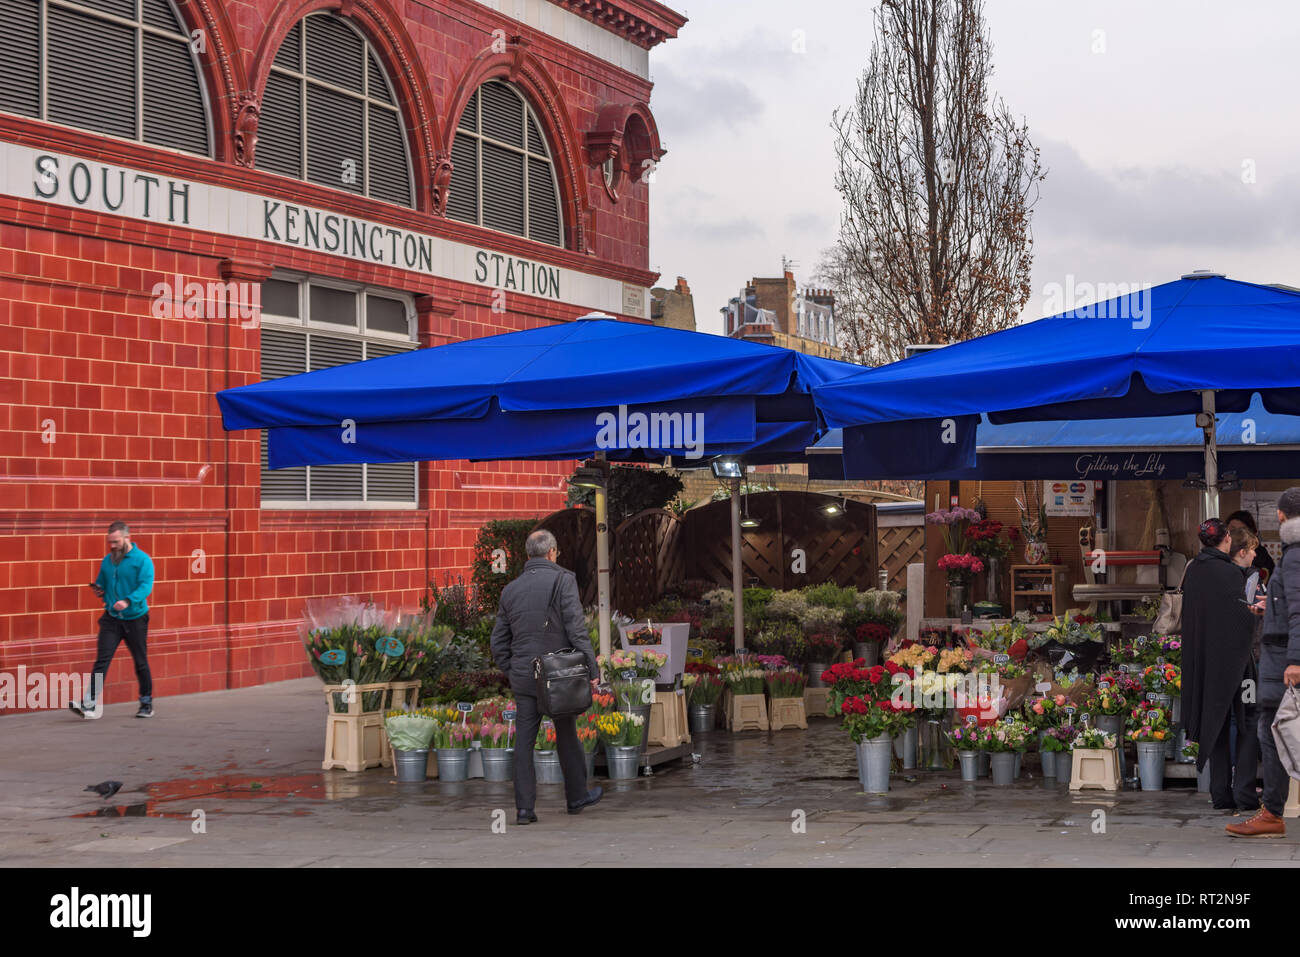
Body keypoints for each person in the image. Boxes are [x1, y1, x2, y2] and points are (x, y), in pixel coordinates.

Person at [490, 529, 602, 825]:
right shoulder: (563, 580)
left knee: (524, 742)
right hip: (558, 676)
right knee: (566, 733)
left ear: (528, 555)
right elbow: (577, 630)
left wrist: (512, 669)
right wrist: (592, 669)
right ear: (552, 552)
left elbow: (498, 642)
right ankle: (576, 796)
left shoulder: (510, 590)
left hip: (525, 677)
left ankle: (524, 809)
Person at [1228, 488, 1300, 838]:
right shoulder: (1292, 554)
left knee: (1273, 733)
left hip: (1282, 661)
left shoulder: (1296, 555)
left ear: (1282, 516)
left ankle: (1272, 812)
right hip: (1279, 657)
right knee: (1273, 732)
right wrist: (1266, 608)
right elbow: (1289, 606)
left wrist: (1296, 660)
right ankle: (1271, 811)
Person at [1181, 518, 1261, 811]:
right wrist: (1257, 613)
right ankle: (1244, 792)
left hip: (1208, 664)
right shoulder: (1230, 574)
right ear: (1226, 539)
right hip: (1240, 667)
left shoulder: (1194, 570)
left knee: (1215, 722)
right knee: (1249, 720)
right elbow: (1242, 622)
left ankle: (1220, 792)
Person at [70, 521, 156, 719]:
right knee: (102, 660)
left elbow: (145, 586)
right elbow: (103, 582)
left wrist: (128, 600)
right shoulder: (108, 560)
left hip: (135, 618)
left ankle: (146, 703)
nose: (113, 546)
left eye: (116, 542)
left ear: (127, 538)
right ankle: (89, 704)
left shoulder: (142, 560)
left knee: (140, 661)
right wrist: (99, 589)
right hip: (111, 619)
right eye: (110, 542)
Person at [1226, 509, 1275, 587]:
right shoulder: (1220, 552)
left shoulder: (1260, 555)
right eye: (1232, 530)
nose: (1237, 534)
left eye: (1242, 530)